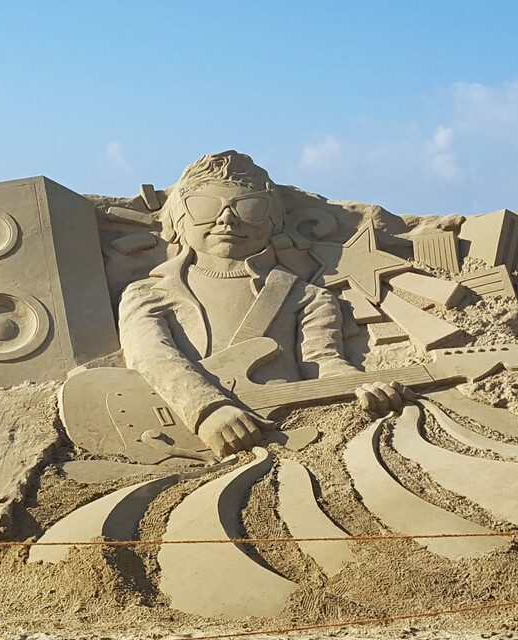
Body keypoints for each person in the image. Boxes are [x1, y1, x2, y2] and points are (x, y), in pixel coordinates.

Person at [118, 151, 402, 457]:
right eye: (204, 206)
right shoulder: (149, 293)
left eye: (249, 207)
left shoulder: (306, 296)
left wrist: (359, 386)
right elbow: (151, 356)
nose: (227, 218)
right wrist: (207, 410)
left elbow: (322, 364)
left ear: (273, 221)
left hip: (286, 433)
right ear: (178, 218)